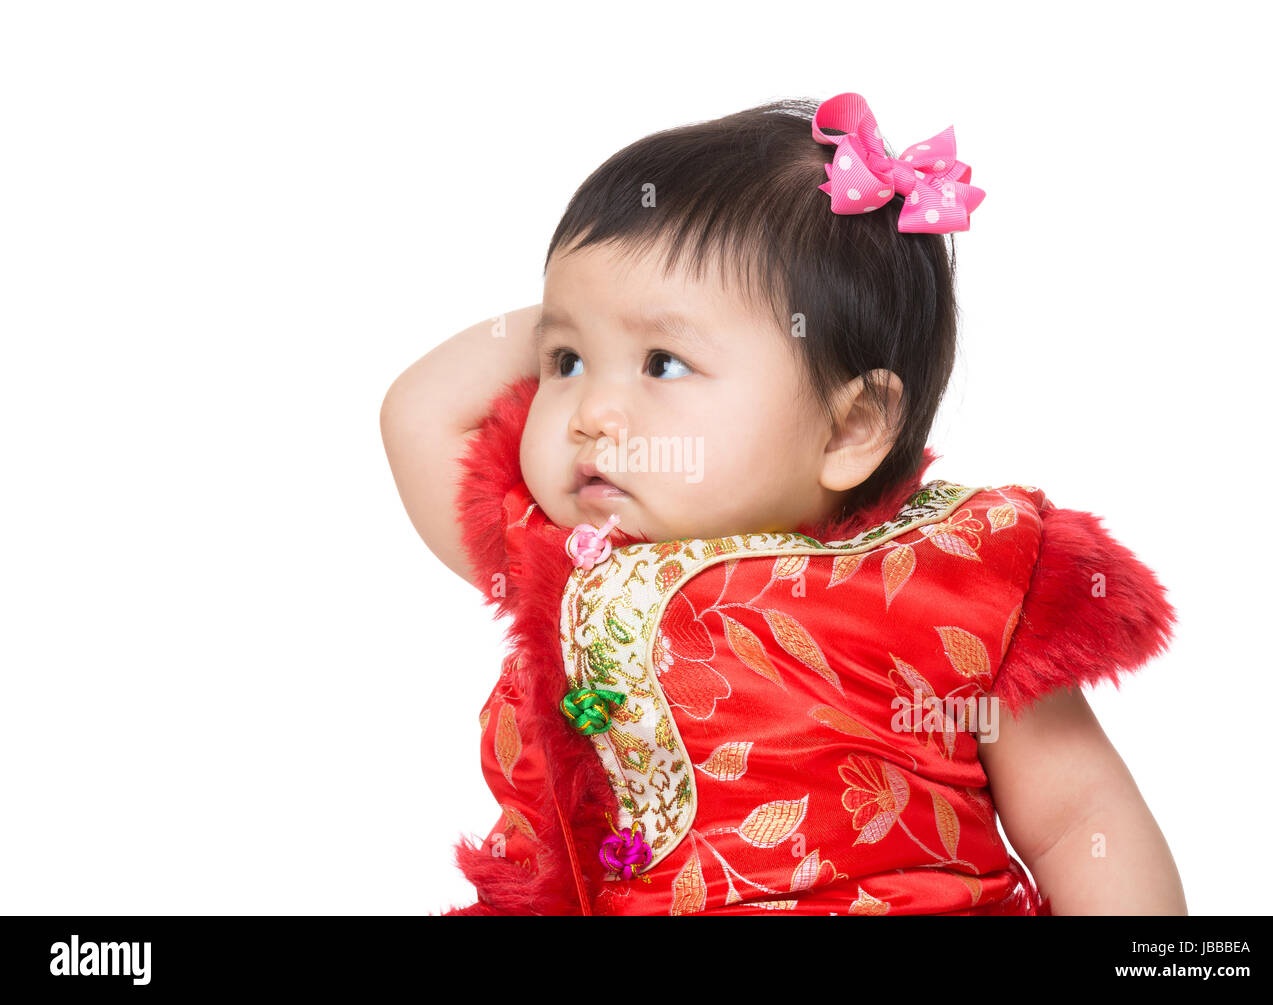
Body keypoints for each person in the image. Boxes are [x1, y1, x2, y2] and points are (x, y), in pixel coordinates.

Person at [380, 92, 1186, 915]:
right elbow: (418, 414)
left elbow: (1081, 819)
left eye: (662, 363)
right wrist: (598, 308)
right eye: (565, 362)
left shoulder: (955, 579)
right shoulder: (557, 556)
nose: (592, 413)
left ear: (852, 427)